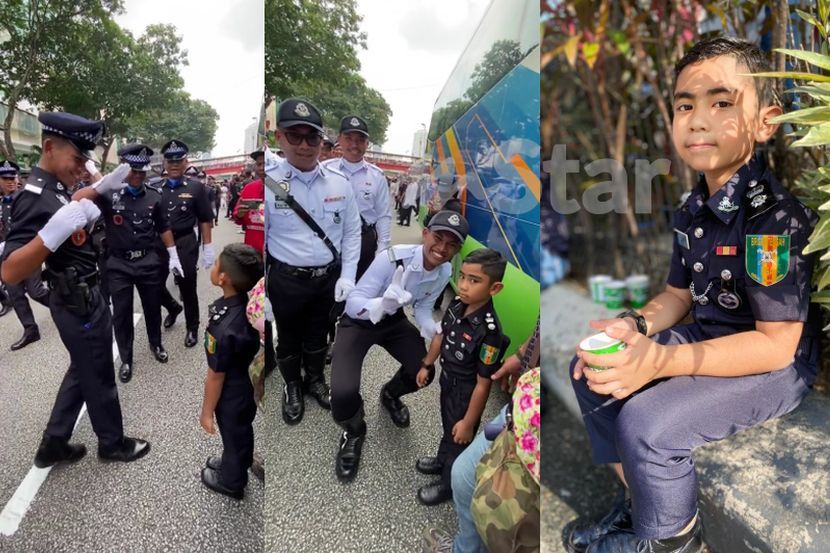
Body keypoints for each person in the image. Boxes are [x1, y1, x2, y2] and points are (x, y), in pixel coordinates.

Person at [567, 37, 821, 553]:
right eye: (685, 105)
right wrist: (635, 327)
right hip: (707, 334)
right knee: (595, 371)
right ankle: (644, 504)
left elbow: (775, 346)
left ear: (764, 121)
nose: (698, 119)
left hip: (771, 365)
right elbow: (676, 296)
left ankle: (672, 541)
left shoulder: (771, 219)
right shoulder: (692, 206)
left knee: (647, 424)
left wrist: (661, 361)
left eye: (722, 103)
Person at [1, 111, 150, 466]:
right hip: (75, 299)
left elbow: (70, 200)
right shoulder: (33, 195)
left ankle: (53, 444)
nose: (82, 166)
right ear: (50, 147)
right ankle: (112, 444)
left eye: (86, 159)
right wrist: (50, 236)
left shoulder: (52, 185)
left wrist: (97, 189)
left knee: (83, 367)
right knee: (98, 374)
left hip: (83, 294)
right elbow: (9, 270)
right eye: (78, 158)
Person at [330, 210, 468, 481]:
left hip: (393, 322)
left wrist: (431, 326)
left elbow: (424, 307)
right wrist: (381, 304)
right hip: (359, 322)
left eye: (452, 244)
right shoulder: (391, 258)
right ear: (425, 234)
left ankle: (390, 394)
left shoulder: (444, 270)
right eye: (438, 238)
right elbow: (354, 302)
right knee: (343, 394)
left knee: (424, 373)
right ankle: (354, 431)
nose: (442, 249)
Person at [264, 98, 361, 425]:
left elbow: (351, 235)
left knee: (319, 333)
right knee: (288, 336)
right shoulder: (268, 183)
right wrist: (257, 290)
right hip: (286, 279)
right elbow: (257, 241)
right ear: (279, 137)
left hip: (326, 280)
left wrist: (348, 276)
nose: (305, 145)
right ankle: (292, 384)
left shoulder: (339, 184)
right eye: (295, 136)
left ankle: (315, 379)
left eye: (312, 138)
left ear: (322, 140)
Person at [424, 318, 540, 553]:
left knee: (517, 520)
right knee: (466, 473)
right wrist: (523, 355)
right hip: (520, 410)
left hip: (543, 430)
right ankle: (468, 547)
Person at [72, 144, 183, 383]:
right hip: (118, 265)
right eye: (133, 171)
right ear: (123, 170)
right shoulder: (109, 193)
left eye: (142, 172)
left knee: (152, 307)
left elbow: (163, 227)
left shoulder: (154, 195)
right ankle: (126, 359)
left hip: (147, 261)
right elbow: (77, 198)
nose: (137, 176)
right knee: (121, 314)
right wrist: (100, 182)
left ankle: (156, 344)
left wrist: (173, 254)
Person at [414, 248, 507, 506]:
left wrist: (469, 421)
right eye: (462, 276)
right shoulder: (457, 304)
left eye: (474, 280)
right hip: (448, 381)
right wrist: (427, 364)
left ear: (494, 288)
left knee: (459, 437)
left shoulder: (490, 332)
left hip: (466, 392)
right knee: (447, 427)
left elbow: (483, 383)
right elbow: (440, 335)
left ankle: (449, 484)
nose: (464, 285)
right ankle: (442, 460)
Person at [199, 243, 263, 500]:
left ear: (223, 278)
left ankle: (232, 481)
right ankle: (236, 462)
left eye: (216, 265)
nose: (213, 268)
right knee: (241, 430)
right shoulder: (243, 305)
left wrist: (206, 412)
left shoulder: (223, 326)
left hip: (232, 392)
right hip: (245, 384)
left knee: (233, 434)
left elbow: (216, 376)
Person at [156, 139, 215, 348]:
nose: (174, 165)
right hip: (159, 244)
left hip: (185, 242)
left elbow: (205, 219)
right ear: (164, 163)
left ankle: (192, 327)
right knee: (153, 285)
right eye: (170, 161)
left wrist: (207, 247)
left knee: (187, 286)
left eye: (178, 161)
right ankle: (173, 308)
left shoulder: (196, 188)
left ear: (185, 162)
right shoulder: (155, 188)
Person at [322, 115, 392, 280]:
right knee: (328, 289)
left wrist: (382, 249)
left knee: (359, 290)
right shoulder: (324, 171)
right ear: (339, 139)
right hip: (331, 238)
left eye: (360, 140)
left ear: (367, 143)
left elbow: (383, 215)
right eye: (348, 138)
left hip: (364, 241)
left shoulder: (377, 176)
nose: (354, 145)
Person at [0, 160, 51, 350]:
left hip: (28, 252)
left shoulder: (24, 198)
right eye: (5, 178)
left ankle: (66, 310)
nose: (11, 181)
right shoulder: (1, 204)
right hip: (8, 257)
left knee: (36, 290)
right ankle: (31, 330)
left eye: (13, 177)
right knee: (15, 294)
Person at [233, 149, 265, 254]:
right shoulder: (249, 188)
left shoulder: (288, 189)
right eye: (259, 164)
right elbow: (236, 216)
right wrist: (240, 215)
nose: (262, 168)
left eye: (267, 163)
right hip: (252, 252)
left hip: (280, 257)